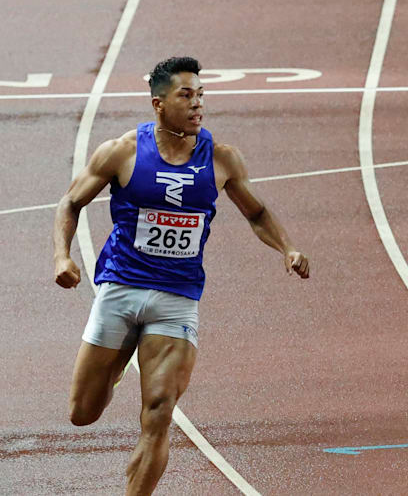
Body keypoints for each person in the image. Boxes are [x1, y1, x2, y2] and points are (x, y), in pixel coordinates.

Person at [53, 56, 310, 495]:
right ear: (158, 103)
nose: (197, 105)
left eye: (201, 95)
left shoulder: (222, 159)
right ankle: (116, 363)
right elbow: (71, 203)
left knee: (158, 410)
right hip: (120, 287)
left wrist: (287, 248)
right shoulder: (123, 151)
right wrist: (63, 257)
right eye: (186, 96)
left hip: (177, 297)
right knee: (83, 411)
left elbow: (258, 212)